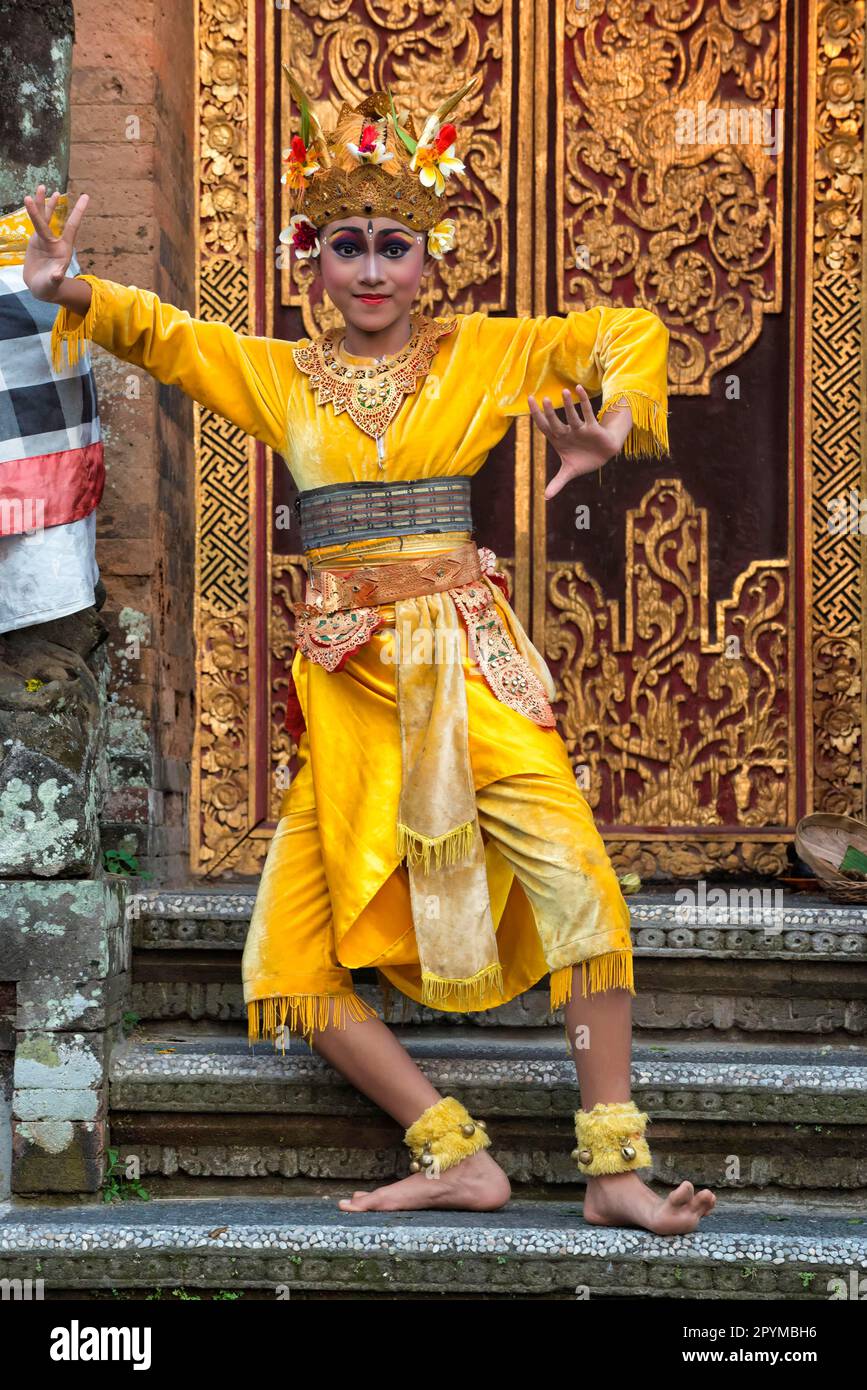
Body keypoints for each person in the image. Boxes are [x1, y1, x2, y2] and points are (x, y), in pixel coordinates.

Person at [22, 65, 716, 1234]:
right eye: (348, 244)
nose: (375, 269)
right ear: (313, 264)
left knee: (584, 890)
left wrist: (611, 418)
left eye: (398, 245)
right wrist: (68, 285)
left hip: (473, 665)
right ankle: (455, 1152)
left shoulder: (483, 354)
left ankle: (613, 1166)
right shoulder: (281, 374)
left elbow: (626, 329)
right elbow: (168, 335)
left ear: (432, 264)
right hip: (347, 686)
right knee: (286, 968)